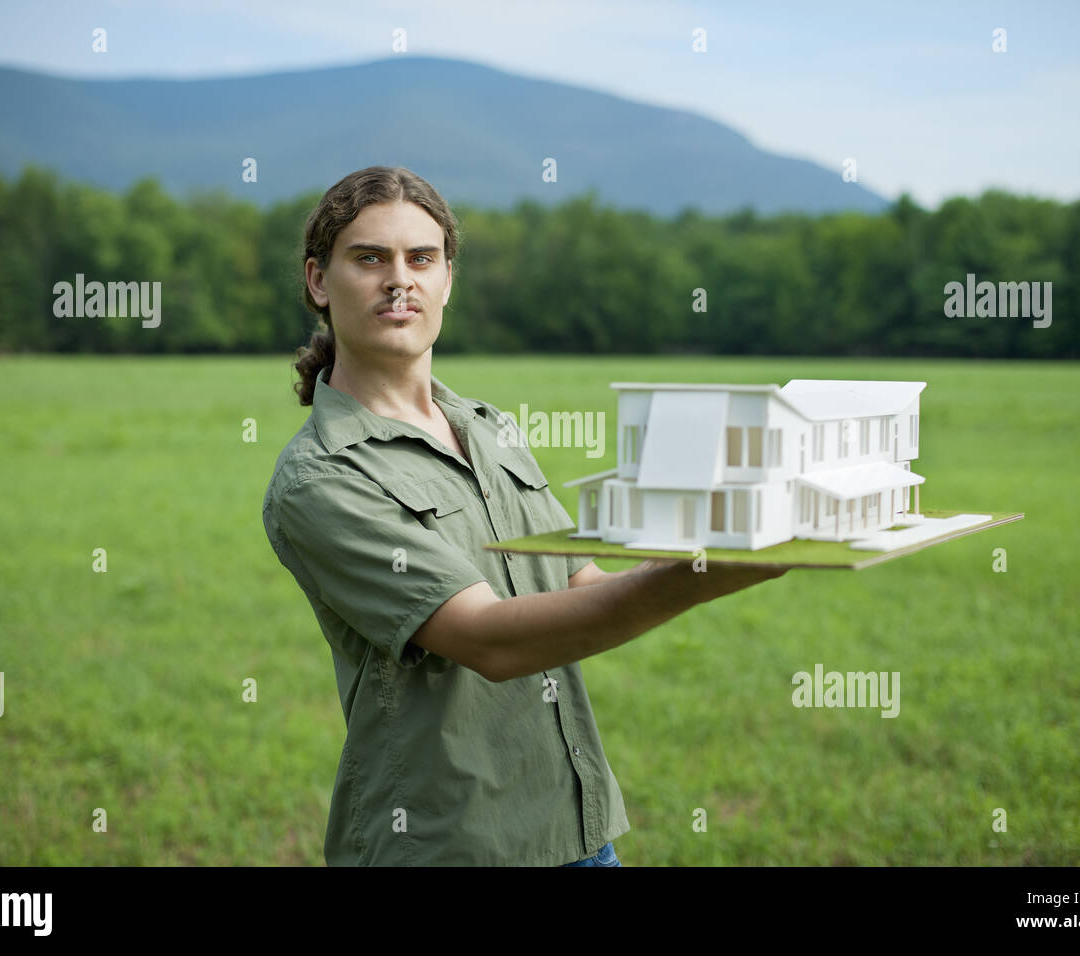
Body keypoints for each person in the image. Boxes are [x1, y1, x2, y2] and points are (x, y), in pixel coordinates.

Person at [261, 165, 788, 866]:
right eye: (369, 258)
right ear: (319, 282)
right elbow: (488, 641)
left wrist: (725, 539)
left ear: (448, 278)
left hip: (575, 831)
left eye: (421, 258)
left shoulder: (489, 428)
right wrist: (699, 576)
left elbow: (578, 584)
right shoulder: (321, 478)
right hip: (447, 847)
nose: (400, 279)